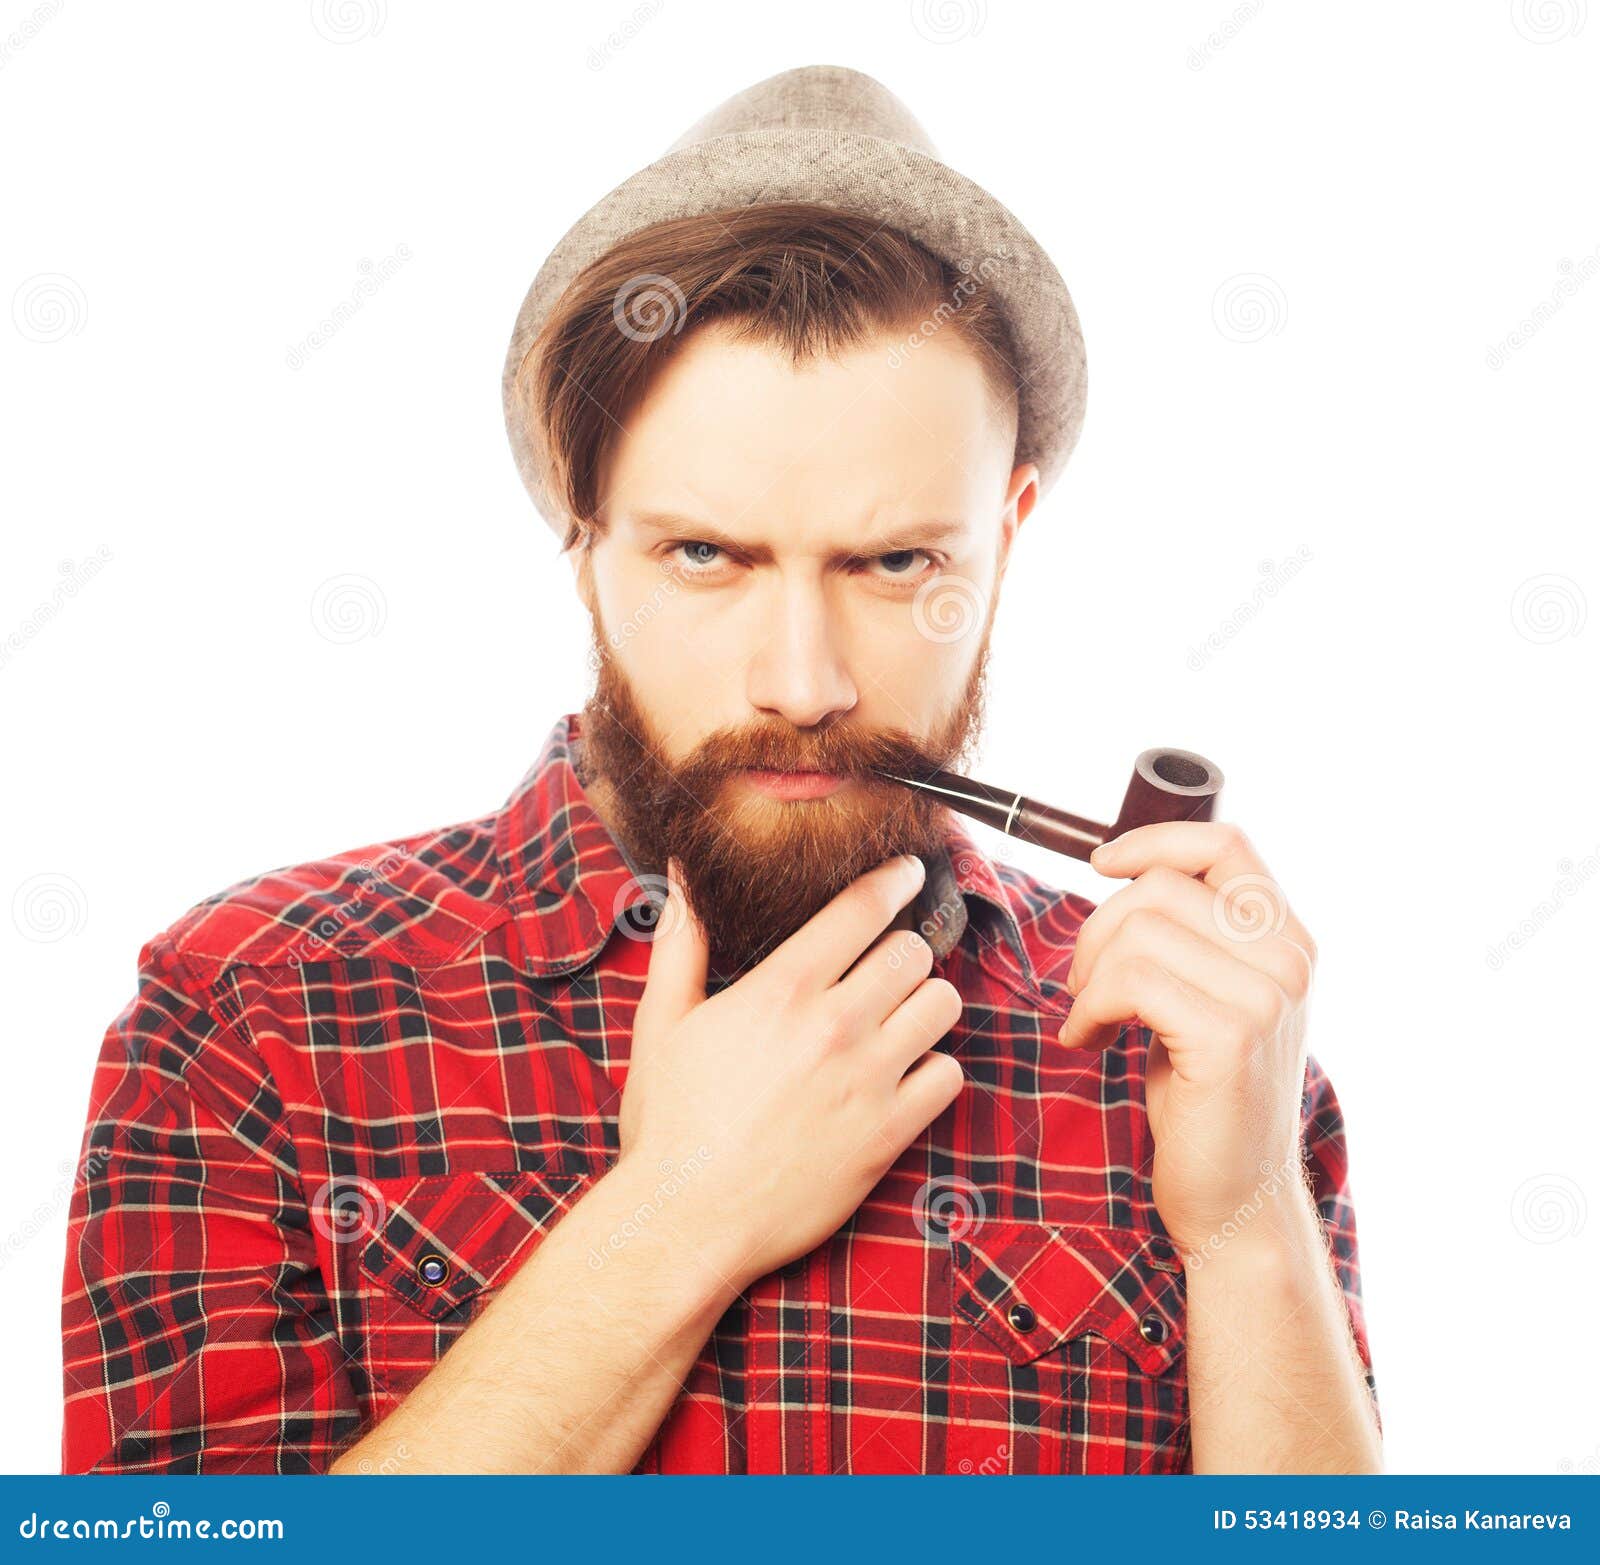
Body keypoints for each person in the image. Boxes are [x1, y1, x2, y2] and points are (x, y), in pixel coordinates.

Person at [61, 65, 1380, 1475]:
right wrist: (680, 1212)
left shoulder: (1196, 1054)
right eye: (708, 555)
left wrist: (1243, 1226)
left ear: (1006, 534)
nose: (803, 682)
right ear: (582, 533)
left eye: (894, 563)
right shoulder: (251, 1015)